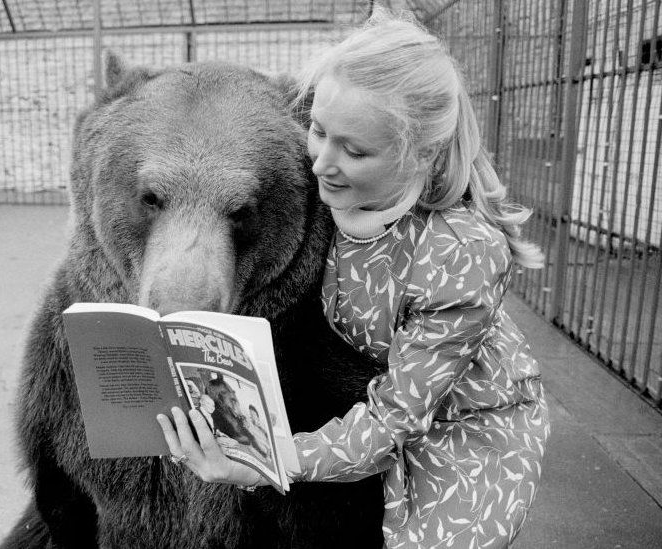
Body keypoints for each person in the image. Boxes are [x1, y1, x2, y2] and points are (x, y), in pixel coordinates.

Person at [157, 7, 549, 548]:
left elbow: (395, 420)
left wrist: (269, 461)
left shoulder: (460, 253)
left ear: (420, 156)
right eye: (318, 130)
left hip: (460, 426)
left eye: (355, 150)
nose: (320, 163)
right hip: (369, 395)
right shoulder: (333, 190)